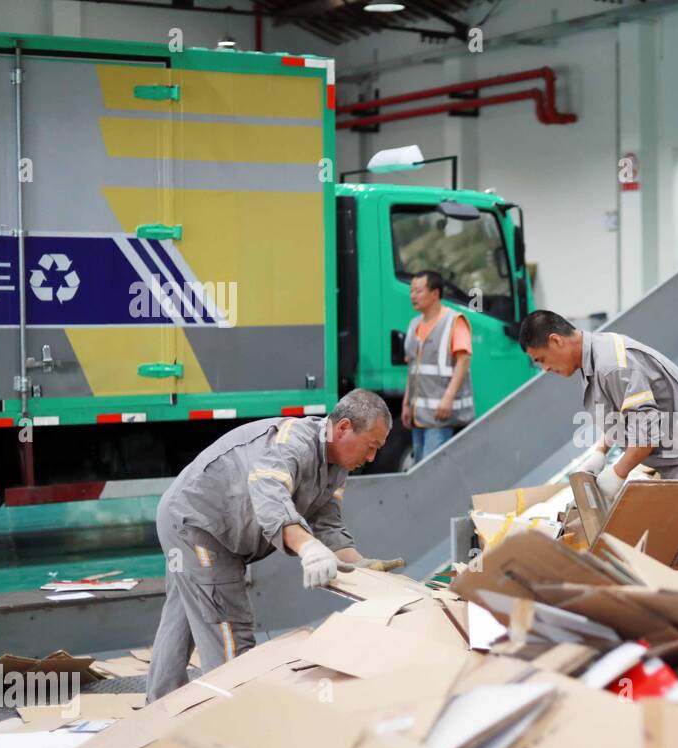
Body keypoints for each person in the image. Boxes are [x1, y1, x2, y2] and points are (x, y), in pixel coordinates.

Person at [145, 389, 404, 703]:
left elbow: (327, 520)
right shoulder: (293, 443)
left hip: (196, 520)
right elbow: (268, 492)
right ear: (344, 428)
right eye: (371, 446)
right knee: (229, 627)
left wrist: (359, 565)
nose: (372, 457)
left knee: (183, 617)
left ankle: (158, 710)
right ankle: (234, 722)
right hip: (197, 523)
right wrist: (307, 547)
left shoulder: (336, 468)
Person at [518, 310, 678, 498]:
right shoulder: (595, 358)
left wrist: (618, 473)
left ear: (556, 340)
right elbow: (623, 414)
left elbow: (646, 435)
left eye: (541, 360)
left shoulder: (612, 365)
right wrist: (601, 451)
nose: (545, 369)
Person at [400, 270, 473, 462]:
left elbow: (463, 361)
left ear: (435, 294)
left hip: (440, 415)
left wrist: (448, 398)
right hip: (419, 415)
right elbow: (413, 368)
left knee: (431, 467)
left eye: (418, 291)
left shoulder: (454, 322)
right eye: (411, 291)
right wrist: (407, 402)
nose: (412, 296)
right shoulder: (414, 324)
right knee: (419, 465)